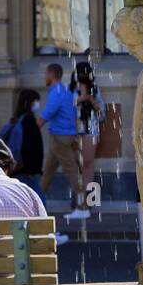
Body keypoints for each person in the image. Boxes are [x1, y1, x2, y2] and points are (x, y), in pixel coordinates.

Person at [37, 63, 84, 213]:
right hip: (63, 138)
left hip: (60, 139)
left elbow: (46, 115)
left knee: (72, 172)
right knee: (48, 173)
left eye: (46, 74)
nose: (45, 77)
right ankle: (34, 204)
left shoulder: (56, 92)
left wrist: (30, 131)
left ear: (51, 75)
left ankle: (83, 207)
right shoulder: (64, 91)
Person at [74, 75, 107, 220]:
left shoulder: (95, 90)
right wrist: (80, 99)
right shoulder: (72, 90)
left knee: (88, 165)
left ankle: (88, 203)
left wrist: (91, 99)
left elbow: (102, 115)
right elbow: (66, 110)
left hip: (91, 131)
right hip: (74, 132)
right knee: (76, 167)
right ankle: (78, 202)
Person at [1, 89, 44, 196]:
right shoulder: (28, 121)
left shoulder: (17, 120)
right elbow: (30, 147)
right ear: (29, 102)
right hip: (27, 173)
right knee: (39, 206)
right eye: (36, 101)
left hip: (21, 171)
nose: (37, 105)